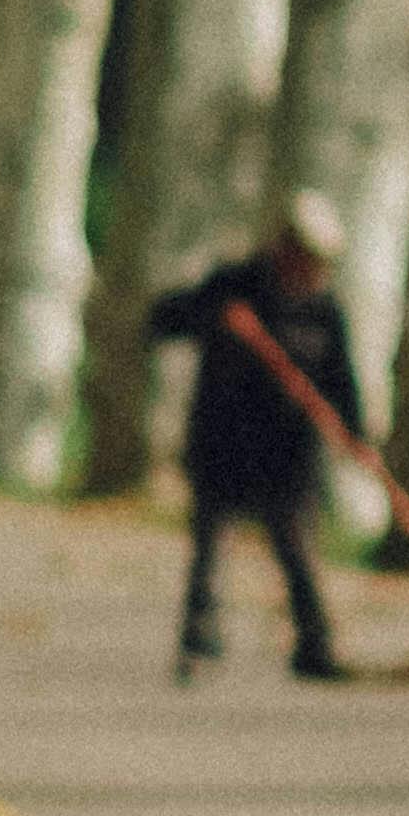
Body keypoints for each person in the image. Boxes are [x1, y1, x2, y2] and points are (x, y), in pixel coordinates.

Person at [150, 193, 363, 679]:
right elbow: (163, 320)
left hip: (287, 453)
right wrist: (216, 319)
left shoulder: (324, 310)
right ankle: (199, 642)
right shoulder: (233, 286)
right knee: (209, 548)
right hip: (223, 443)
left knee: (297, 551)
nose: (310, 271)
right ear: (284, 247)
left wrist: (356, 435)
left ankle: (314, 647)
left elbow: (340, 379)